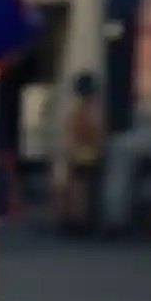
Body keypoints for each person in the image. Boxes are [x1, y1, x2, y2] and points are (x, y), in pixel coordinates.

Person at [53, 73, 103, 231]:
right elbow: (90, 134)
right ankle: (78, 220)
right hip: (86, 155)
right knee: (83, 189)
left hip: (77, 154)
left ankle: (74, 218)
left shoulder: (76, 109)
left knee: (75, 187)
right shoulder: (88, 111)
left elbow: (72, 133)